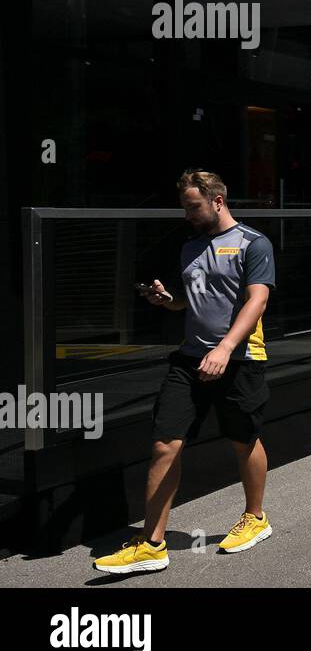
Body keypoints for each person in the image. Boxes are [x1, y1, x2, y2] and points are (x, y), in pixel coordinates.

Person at [95, 170, 276, 575]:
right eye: (185, 207)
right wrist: (167, 299)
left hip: (242, 357)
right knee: (164, 443)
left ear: (217, 201)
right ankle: (152, 544)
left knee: (243, 439)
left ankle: (255, 517)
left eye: (194, 207)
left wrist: (226, 348)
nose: (189, 214)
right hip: (191, 359)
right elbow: (190, 301)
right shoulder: (191, 245)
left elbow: (257, 301)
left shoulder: (253, 243)